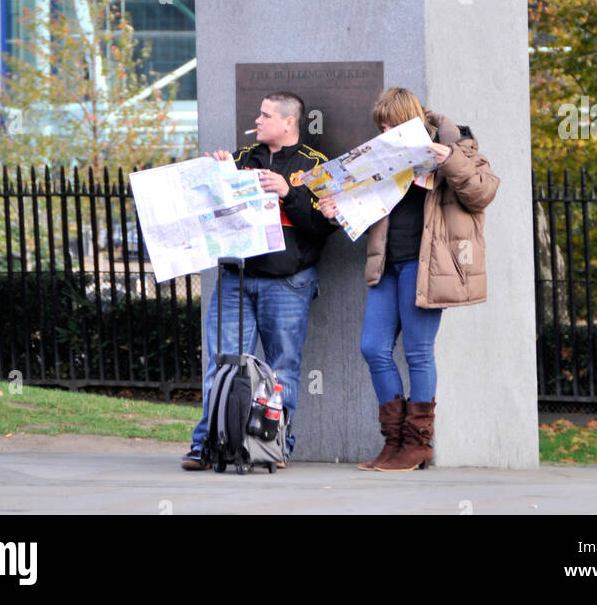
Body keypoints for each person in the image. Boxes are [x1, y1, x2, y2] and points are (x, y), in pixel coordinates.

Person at [318, 86, 500, 471]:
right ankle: (394, 440)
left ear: (410, 119)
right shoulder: (382, 153)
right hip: (386, 261)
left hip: (427, 263)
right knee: (373, 348)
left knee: (418, 351)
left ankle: (418, 444)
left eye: (391, 124)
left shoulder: (455, 141)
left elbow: (483, 192)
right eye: (381, 126)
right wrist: (337, 209)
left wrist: (449, 160)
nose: (385, 132)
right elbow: (366, 205)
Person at [182, 92, 335, 469]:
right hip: (236, 277)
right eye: (259, 112)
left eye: (266, 115)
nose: (258, 119)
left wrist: (288, 192)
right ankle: (207, 444)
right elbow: (209, 209)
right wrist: (212, 173)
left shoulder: (314, 165)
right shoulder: (240, 159)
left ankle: (274, 445)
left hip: (288, 281)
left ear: (289, 122)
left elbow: (323, 227)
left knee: (282, 368)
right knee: (222, 364)